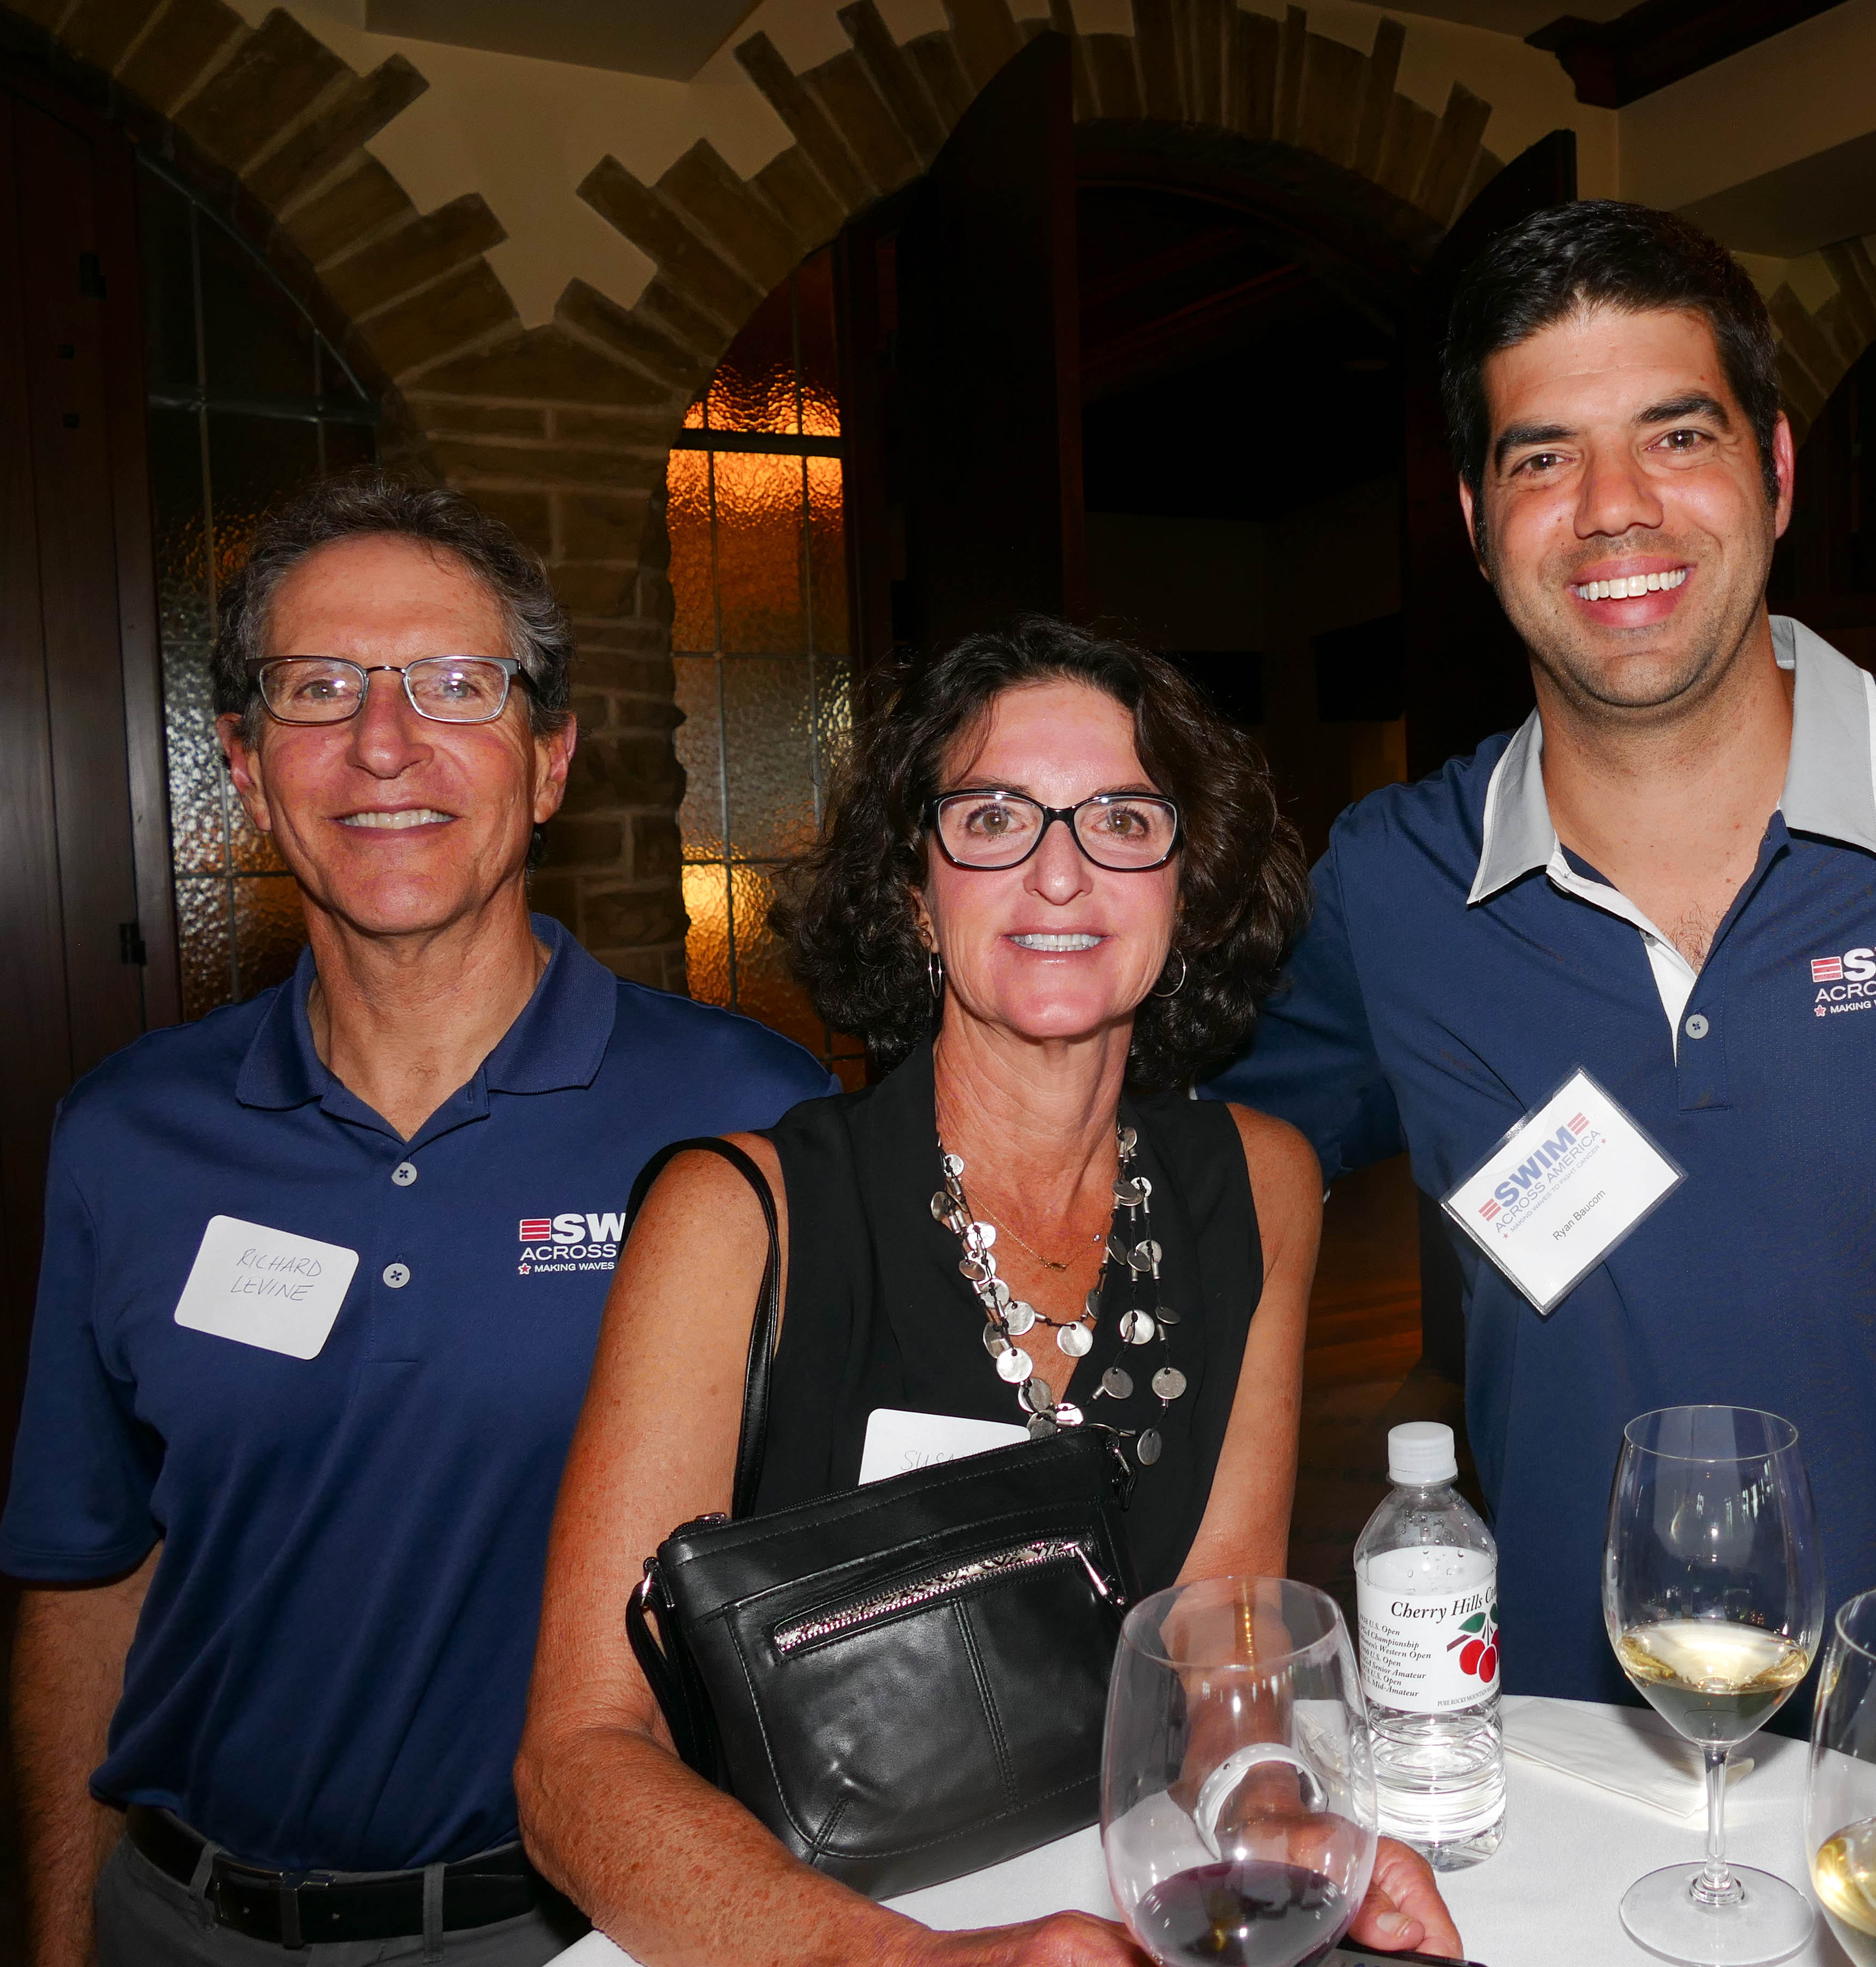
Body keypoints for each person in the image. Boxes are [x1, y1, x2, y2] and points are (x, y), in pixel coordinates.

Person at [1204, 199, 1876, 1852]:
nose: (1614, 507)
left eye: (1677, 435)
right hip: (1580, 1785)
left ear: (1776, 469)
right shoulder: (1392, 891)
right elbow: (1199, 1193)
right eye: (1544, 457)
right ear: (1476, 520)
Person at [517, 620, 1461, 1965]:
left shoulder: (1256, 1182)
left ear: (1187, 887)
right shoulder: (736, 1221)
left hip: (1123, 1908)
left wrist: (1271, 1813)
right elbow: (577, 1767)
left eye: (1124, 819)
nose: (1061, 873)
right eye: (994, 819)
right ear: (915, 888)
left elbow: (1221, 1642)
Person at [0, 474, 839, 1967]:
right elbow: (89, 1579)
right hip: (181, 1924)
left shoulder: (748, 1113)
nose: (383, 743)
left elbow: (833, 1573)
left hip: (569, 1932)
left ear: (551, 759)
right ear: (246, 767)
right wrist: (66, 1941)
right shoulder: (127, 1135)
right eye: (318, 688)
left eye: (456, 684)